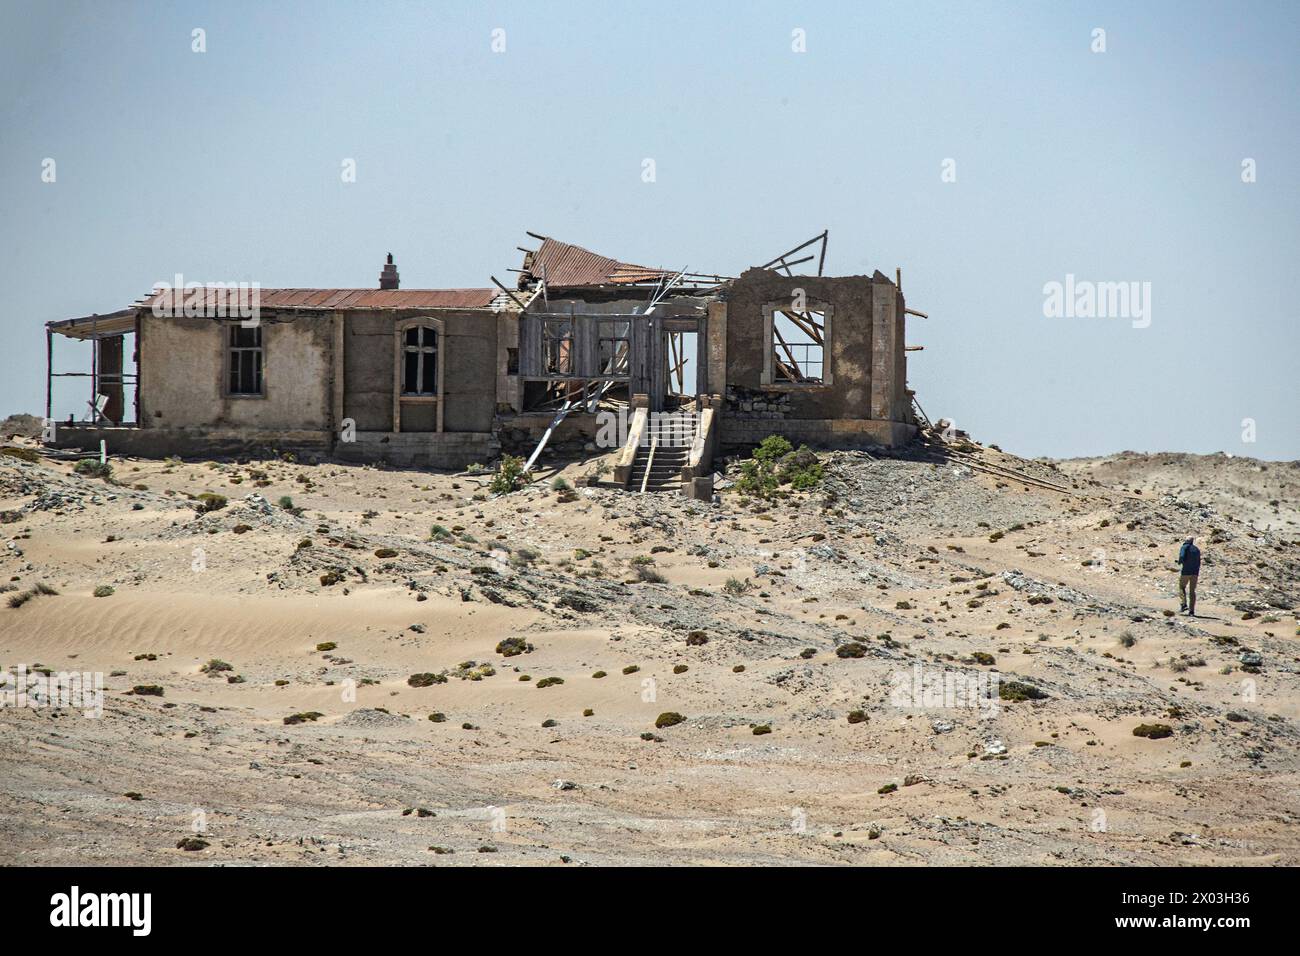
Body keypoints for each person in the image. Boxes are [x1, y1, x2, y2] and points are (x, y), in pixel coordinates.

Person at [1177, 536, 1201, 616]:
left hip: (1186, 571)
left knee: (1182, 586)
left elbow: (1182, 556)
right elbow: (1199, 561)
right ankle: (1192, 611)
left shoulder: (1184, 547)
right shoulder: (1196, 549)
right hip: (1195, 572)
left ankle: (1184, 604)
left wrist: (1180, 562)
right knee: (1192, 591)